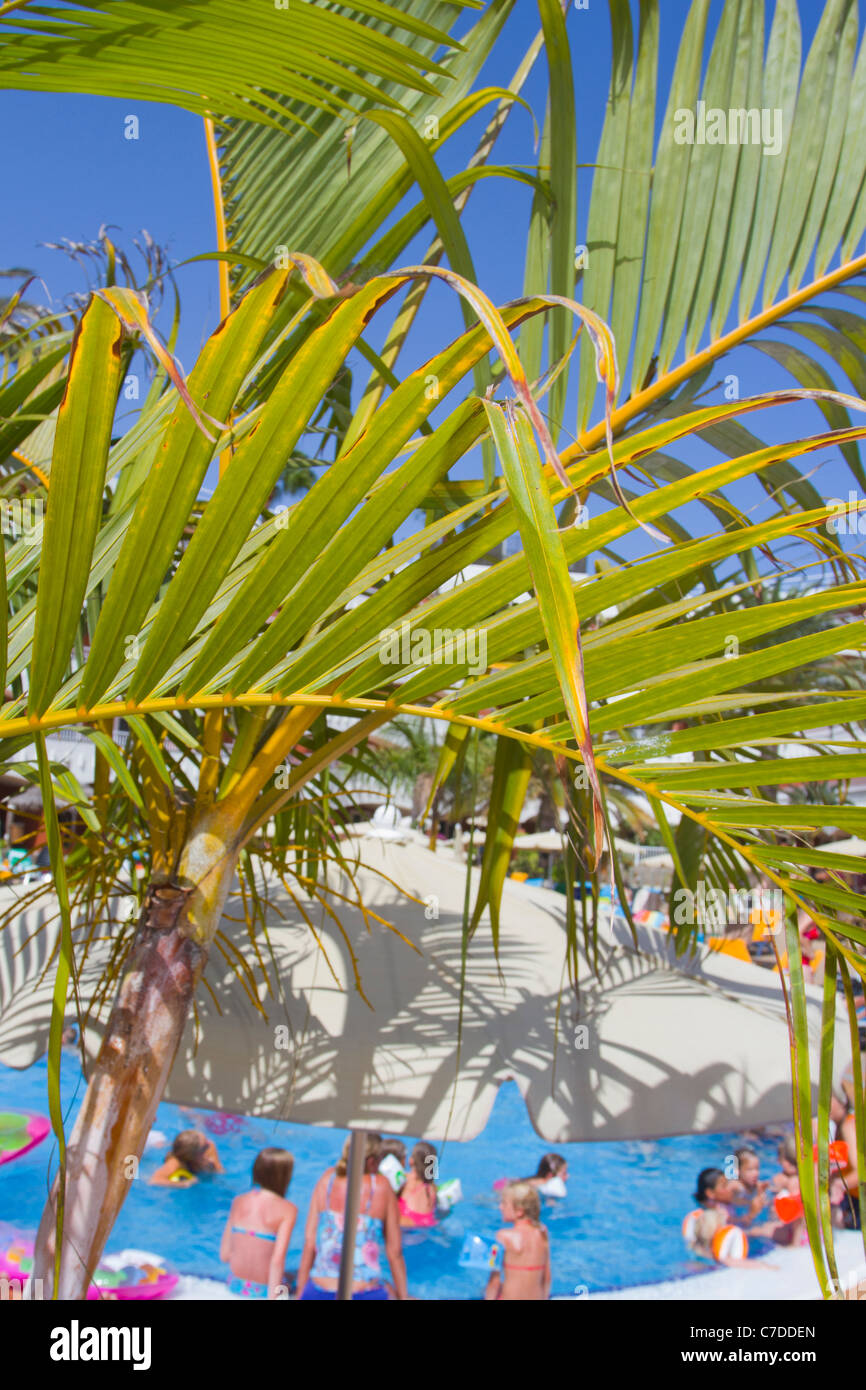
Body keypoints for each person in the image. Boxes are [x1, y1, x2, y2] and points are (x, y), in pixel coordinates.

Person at [296, 1134, 409, 1300]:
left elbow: (310, 1242)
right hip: (362, 1292)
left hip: (319, 1291)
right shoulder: (380, 1185)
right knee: (389, 1289)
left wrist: (301, 1290)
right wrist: (404, 1296)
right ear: (371, 1161)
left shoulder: (326, 1179)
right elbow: (395, 1252)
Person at [219, 1147, 297, 1299]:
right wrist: (273, 1296)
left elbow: (225, 1255)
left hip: (235, 1284)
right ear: (285, 1176)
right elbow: (277, 1259)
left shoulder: (238, 1201)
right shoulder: (288, 1209)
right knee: (293, 1277)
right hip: (262, 1290)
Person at [686, 1169, 777, 1267]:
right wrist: (751, 1215)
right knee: (761, 1231)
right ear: (711, 1193)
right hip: (718, 1249)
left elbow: (750, 1203)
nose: (730, 1188)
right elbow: (738, 1223)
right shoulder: (717, 1213)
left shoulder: (726, 1201)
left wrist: (760, 1194)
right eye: (724, 1186)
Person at [484, 1182, 550, 1301]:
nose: (500, 1207)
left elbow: (494, 1282)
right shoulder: (542, 1232)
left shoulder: (502, 1236)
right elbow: (547, 1278)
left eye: (504, 1203)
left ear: (519, 1211)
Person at [149, 1129, 223, 1186]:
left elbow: (220, 1172)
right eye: (204, 1147)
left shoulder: (210, 1146)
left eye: (206, 1140)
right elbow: (154, 1180)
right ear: (193, 1156)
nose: (209, 1144)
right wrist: (184, 1184)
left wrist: (210, 1167)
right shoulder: (176, 1162)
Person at [398, 1141, 438, 1228]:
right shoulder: (432, 1187)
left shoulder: (406, 1180)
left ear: (411, 1161)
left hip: (407, 1225)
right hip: (427, 1225)